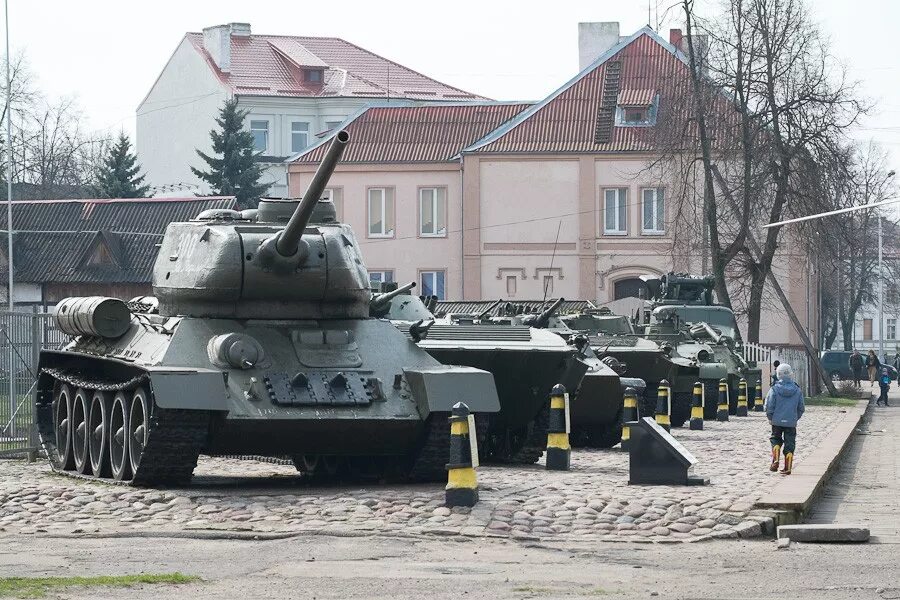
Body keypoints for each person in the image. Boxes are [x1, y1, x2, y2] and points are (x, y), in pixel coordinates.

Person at [766, 363, 805, 475]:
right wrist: (795, 418)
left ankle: (776, 457)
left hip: (776, 421)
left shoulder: (774, 389)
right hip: (791, 422)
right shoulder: (797, 390)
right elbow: (801, 407)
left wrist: (770, 417)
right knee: (790, 443)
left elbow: (769, 405)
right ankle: (787, 467)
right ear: (791, 374)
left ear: (778, 374)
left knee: (775, 439)